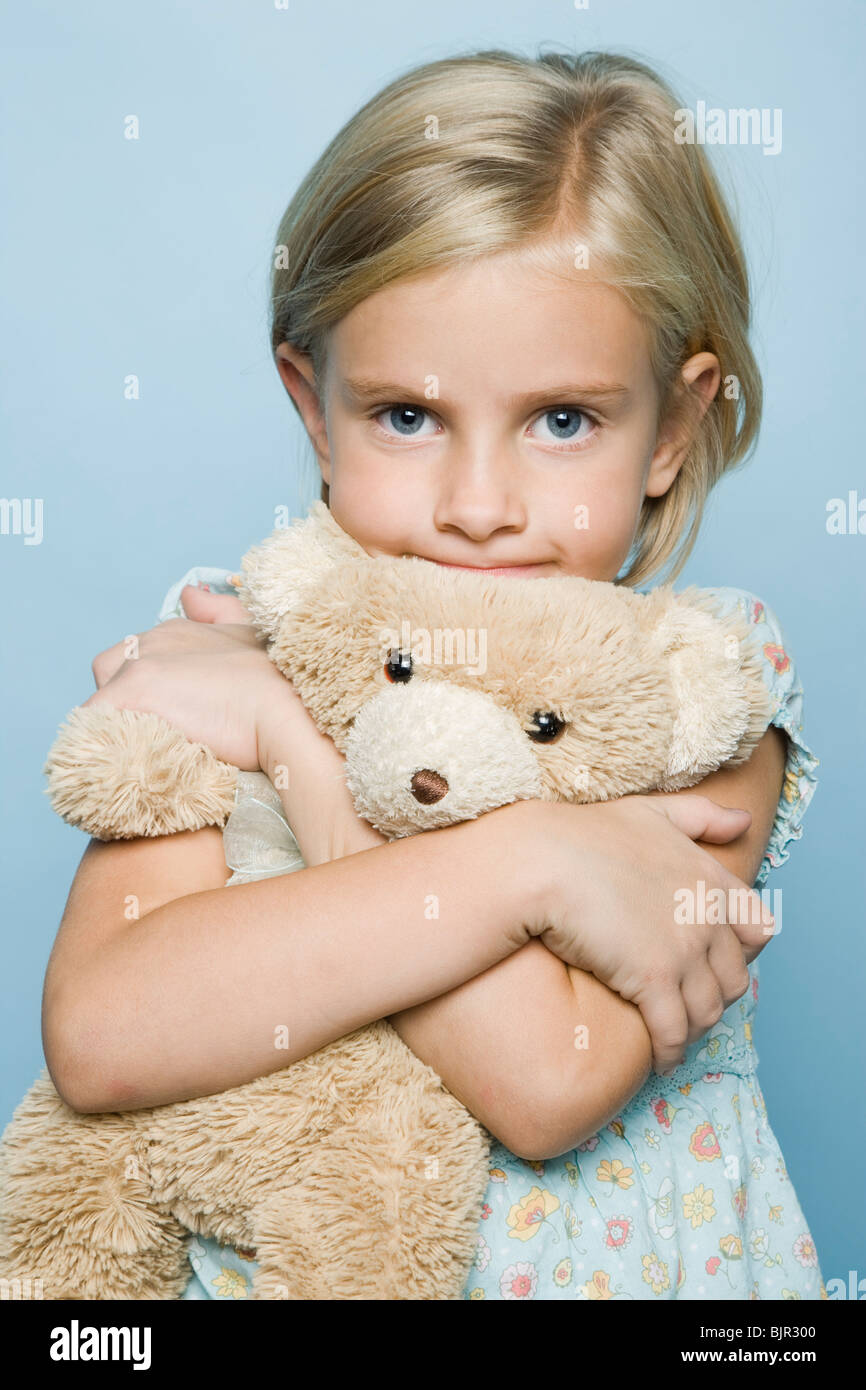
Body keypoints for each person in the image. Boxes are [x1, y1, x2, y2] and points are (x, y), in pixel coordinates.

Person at [41, 47, 825, 1300]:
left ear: (672, 427)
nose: (475, 506)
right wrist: (536, 866)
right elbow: (102, 1036)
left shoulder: (699, 687)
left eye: (561, 420)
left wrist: (291, 746)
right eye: (406, 416)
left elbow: (543, 1078)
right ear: (314, 405)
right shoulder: (236, 645)